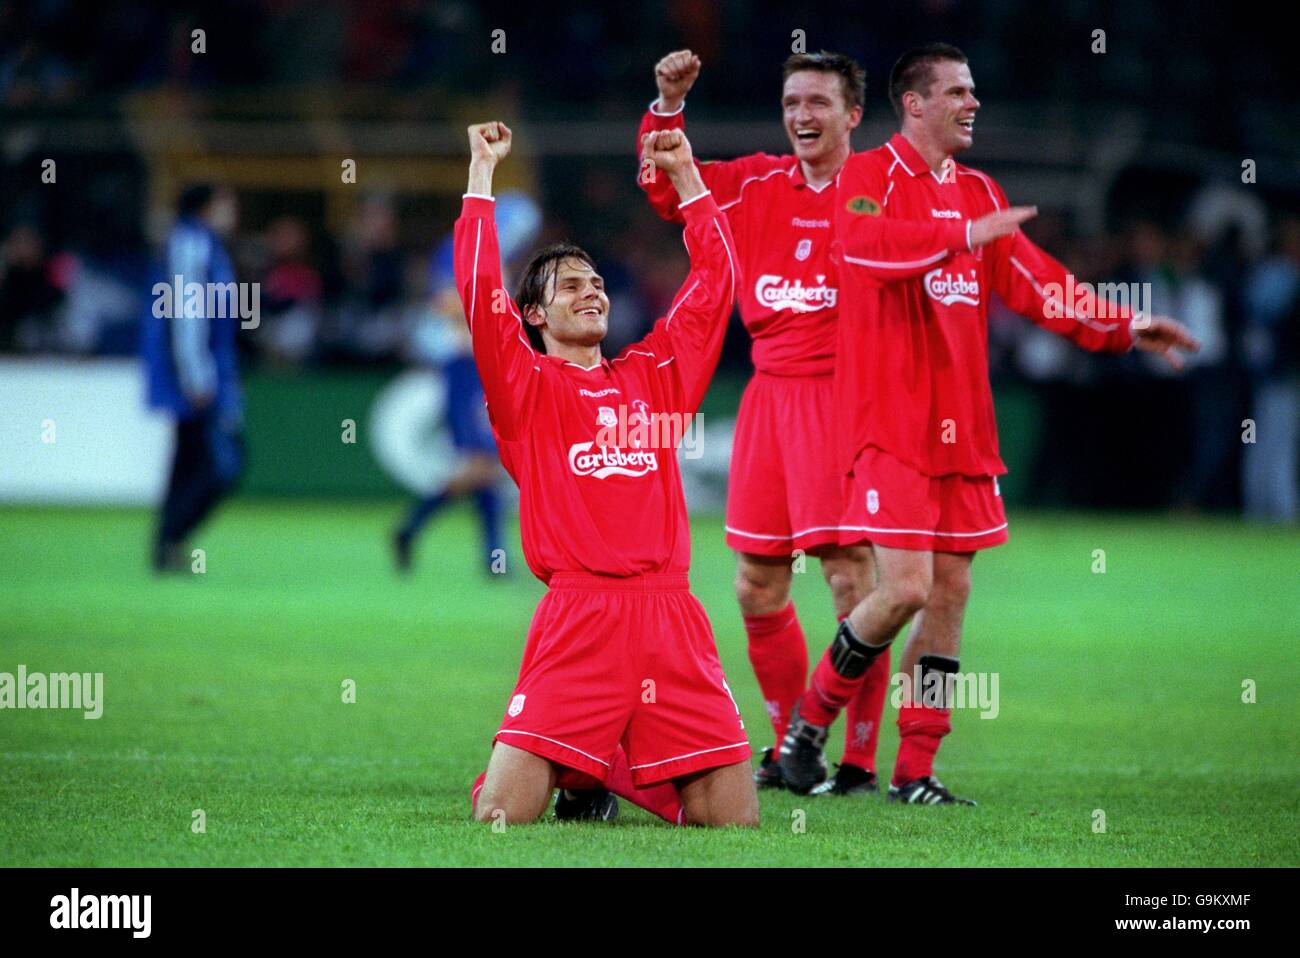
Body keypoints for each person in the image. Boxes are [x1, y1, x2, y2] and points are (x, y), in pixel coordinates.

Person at [778, 44, 1199, 802]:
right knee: (904, 587)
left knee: (949, 595)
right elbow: (865, 251)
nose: (973, 104)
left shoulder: (978, 192)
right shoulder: (866, 180)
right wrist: (959, 238)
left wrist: (1125, 327)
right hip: (890, 427)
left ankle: (916, 771)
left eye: (974, 92)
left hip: (964, 432)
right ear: (914, 103)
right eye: (958, 92)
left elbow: (1040, 284)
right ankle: (808, 728)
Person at [459, 120, 758, 826]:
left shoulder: (654, 377)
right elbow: (478, 291)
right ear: (533, 313)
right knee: (501, 817)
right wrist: (481, 176)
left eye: (596, 283)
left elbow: (717, 284)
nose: (591, 292)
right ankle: (581, 763)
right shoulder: (525, 388)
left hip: (672, 617)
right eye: (569, 287)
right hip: (580, 615)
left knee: (735, 826)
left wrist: (687, 179)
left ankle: (598, 767)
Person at [639, 49, 887, 795]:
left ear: (851, 115)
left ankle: (859, 760)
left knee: (851, 579)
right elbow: (663, 187)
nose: (802, 116)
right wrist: (668, 103)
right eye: (791, 103)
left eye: (817, 102)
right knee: (755, 584)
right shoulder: (752, 184)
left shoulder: (884, 190)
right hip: (770, 395)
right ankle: (788, 749)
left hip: (847, 397)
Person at [142, 184, 246, 573]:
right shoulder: (192, 245)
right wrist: (197, 378)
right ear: (207, 207)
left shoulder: (204, 244)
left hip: (204, 373)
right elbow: (188, 315)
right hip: (197, 379)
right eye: (225, 204)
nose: (231, 212)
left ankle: (166, 546)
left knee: (187, 460)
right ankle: (171, 537)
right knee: (223, 465)